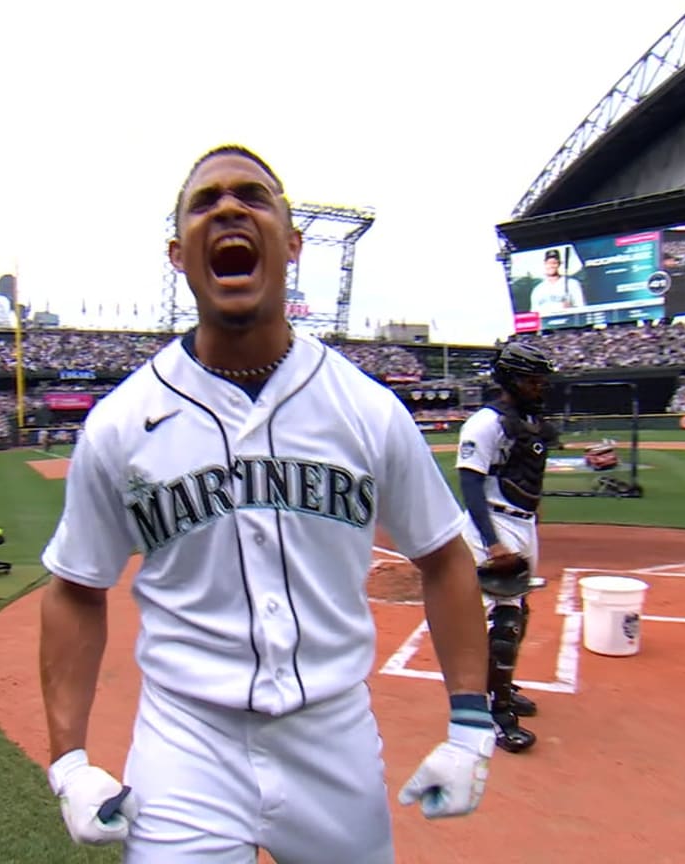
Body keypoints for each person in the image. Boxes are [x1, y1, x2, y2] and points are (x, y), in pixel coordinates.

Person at [37, 145, 496, 863]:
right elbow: (75, 588)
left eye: (252, 196)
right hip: (186, 740)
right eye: (204, 201)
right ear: (176, 255)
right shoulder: (123, 422)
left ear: (291, 243)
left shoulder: (367, 410)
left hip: (334, 736)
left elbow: (443, 555)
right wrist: (68, 761)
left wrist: (470, 723)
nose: (227, 207)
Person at [453, 340, 562, 754]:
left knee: (520, 612)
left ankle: (504, 686)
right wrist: (492, 542)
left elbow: (527, 480)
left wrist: (534, 520)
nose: (540, 387)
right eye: (532, 380)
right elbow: (469, 482)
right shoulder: (486, 422)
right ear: (511, 380)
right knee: (503, 623)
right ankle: (496, 715)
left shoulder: (528, 422)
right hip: (493, 525)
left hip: (522, 525)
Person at [530, 248, 586, 314]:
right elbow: (533, 314)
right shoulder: (538, 290)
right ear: (544, 264)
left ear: (559, 264)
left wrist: (572, 309)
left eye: (554, 263)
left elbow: (582, 308)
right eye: (548, 263)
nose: (551, 266)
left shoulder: (572, 284)